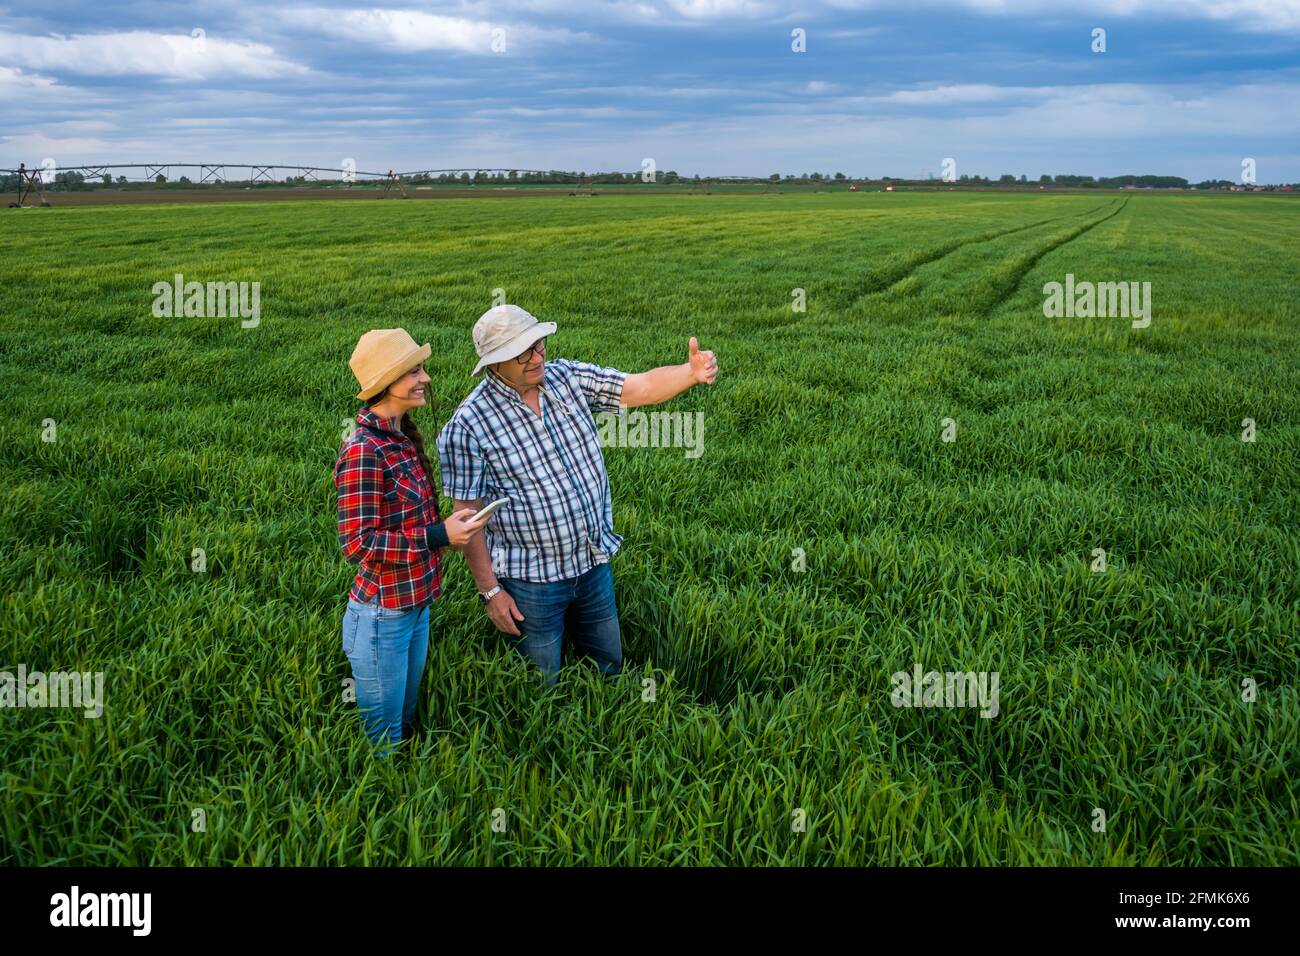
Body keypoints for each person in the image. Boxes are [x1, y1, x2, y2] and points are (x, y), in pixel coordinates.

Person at [437, 304, 719, 686]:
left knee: (608, 667)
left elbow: (639, 388)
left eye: (540, 345)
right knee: (540, 684)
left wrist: (689, 372)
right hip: (530, 581)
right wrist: (490, 593)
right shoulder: (468, 426)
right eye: (524, 352)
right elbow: (469, 519)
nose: (537, 357)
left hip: (592, 562)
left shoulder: (565, 377)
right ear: (495, 362)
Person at [335, 328, 488, 755]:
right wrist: (440, 534)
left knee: (404, 719)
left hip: (415, 604)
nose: (425, 378)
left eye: (422, 368)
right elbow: (358, 543)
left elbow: (404, 520)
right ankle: (385, 801)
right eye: (413, 372)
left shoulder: (400, 437)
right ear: (386, 383)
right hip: (383, 615)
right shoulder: (365, 450)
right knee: (384, 740)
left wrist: (447, 522)